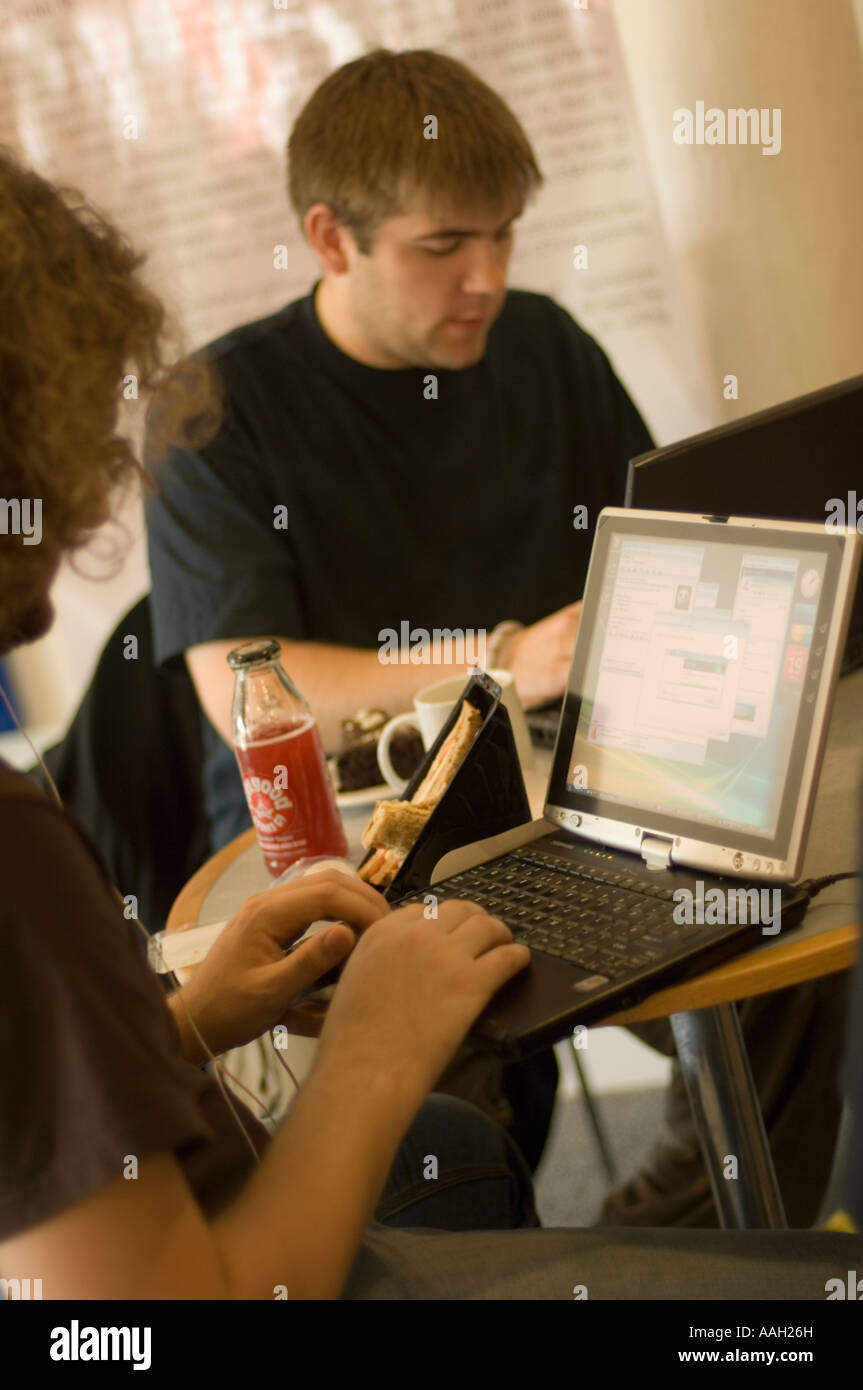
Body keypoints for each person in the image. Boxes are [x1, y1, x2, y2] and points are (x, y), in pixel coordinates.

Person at [3, 148, 861, 1305]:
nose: (485, 278)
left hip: (538, 811)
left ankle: (658, 1233)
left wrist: (191, 1017)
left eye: (503, 236)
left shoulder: (546, 350)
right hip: (348, 872)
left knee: (765, 970)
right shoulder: (19, 856)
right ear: (329, 238)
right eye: (442, 246)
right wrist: (368, 1046)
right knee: (823, 1287)